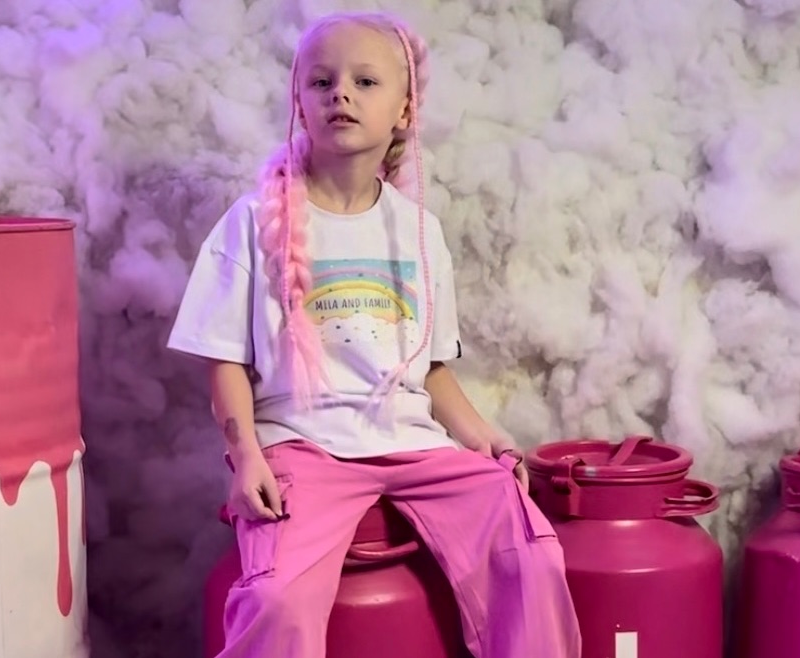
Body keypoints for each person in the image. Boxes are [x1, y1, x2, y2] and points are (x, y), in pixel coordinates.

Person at [167, 11, 581, 658]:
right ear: (300, 104)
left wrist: (483, 436)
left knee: (531, 555)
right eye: (322, 82)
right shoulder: (251, 223)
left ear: (404, 110)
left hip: (414, 447)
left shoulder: (419, 231)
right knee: (277, 599)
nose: (342, 94)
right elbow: (223, 362)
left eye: (365, 82)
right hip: (304, 449)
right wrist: (245, 457)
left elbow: (430, 369)